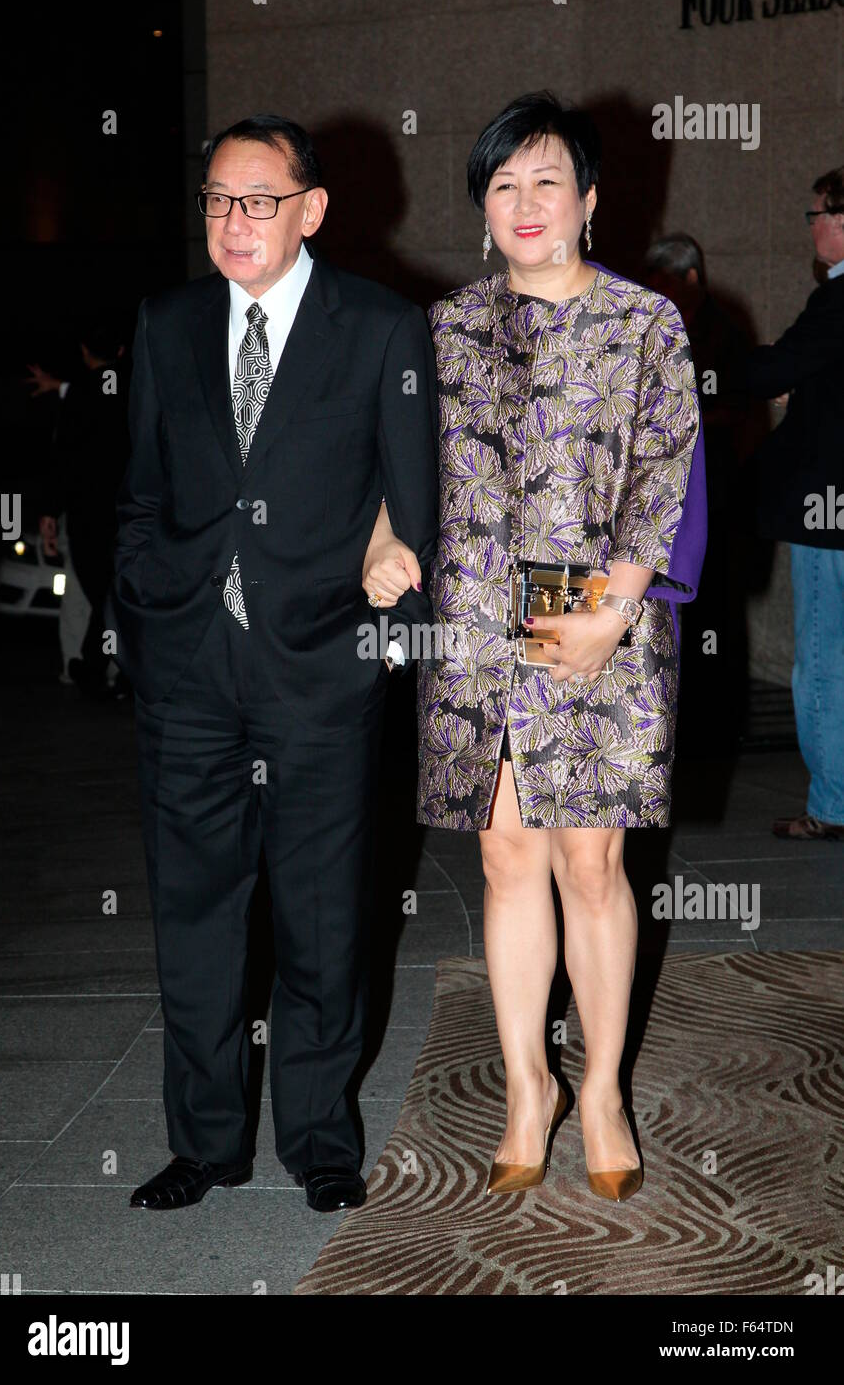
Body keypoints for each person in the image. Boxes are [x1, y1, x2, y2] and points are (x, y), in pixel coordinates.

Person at [364, 92, 706, 1201]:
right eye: (500, 183)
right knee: (506, 856)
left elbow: (666, 472)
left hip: (598, 617)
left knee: (591, 862)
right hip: (474, 628)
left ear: (589, 201)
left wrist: (615, 609)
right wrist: (381, 535)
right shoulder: (444, 329)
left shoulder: (645, 323)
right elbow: (398, 464)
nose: (522, 201)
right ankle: (526, 1084)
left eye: (544, 179)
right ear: (481, 207)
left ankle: (599, 1084)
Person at [109, 114, 439, 1213]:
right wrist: (146, 617)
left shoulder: (381, 328)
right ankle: (204, 1141)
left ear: (311, 210)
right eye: (214, 199)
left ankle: (317, 1136)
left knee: (321, 916)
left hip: (319, 671)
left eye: (256, 199)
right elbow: (144, 494)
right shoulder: (167, 324)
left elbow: (413, 500)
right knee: (195, 917)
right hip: (190, 674)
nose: (231, 220)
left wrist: (389, 594)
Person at [738, 166, 844, 841]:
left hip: (829, 515)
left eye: (818, 215)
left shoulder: (839, 297)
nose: (811, 227)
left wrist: (705, 364)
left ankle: (833, 806)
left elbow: (784, 364)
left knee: (824, 660)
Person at [644, 233, 758, 753]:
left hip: (713, 491)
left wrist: (686, 420)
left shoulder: (721, 331)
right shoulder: (661, 324)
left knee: (714, 611)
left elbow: (738, 406)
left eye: (666, 283)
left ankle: (716, 726)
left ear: (691, 279)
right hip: (673, 490)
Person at [37, 317, 132, 699]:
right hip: (130, 511)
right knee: (115, 592)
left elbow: (63, 458)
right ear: (122, 352)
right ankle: (108, 669)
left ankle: (93, 666)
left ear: (84, 352)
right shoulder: (138, 388)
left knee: (100, 592)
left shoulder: (83, 394)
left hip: (88, 514)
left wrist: (49, 510)